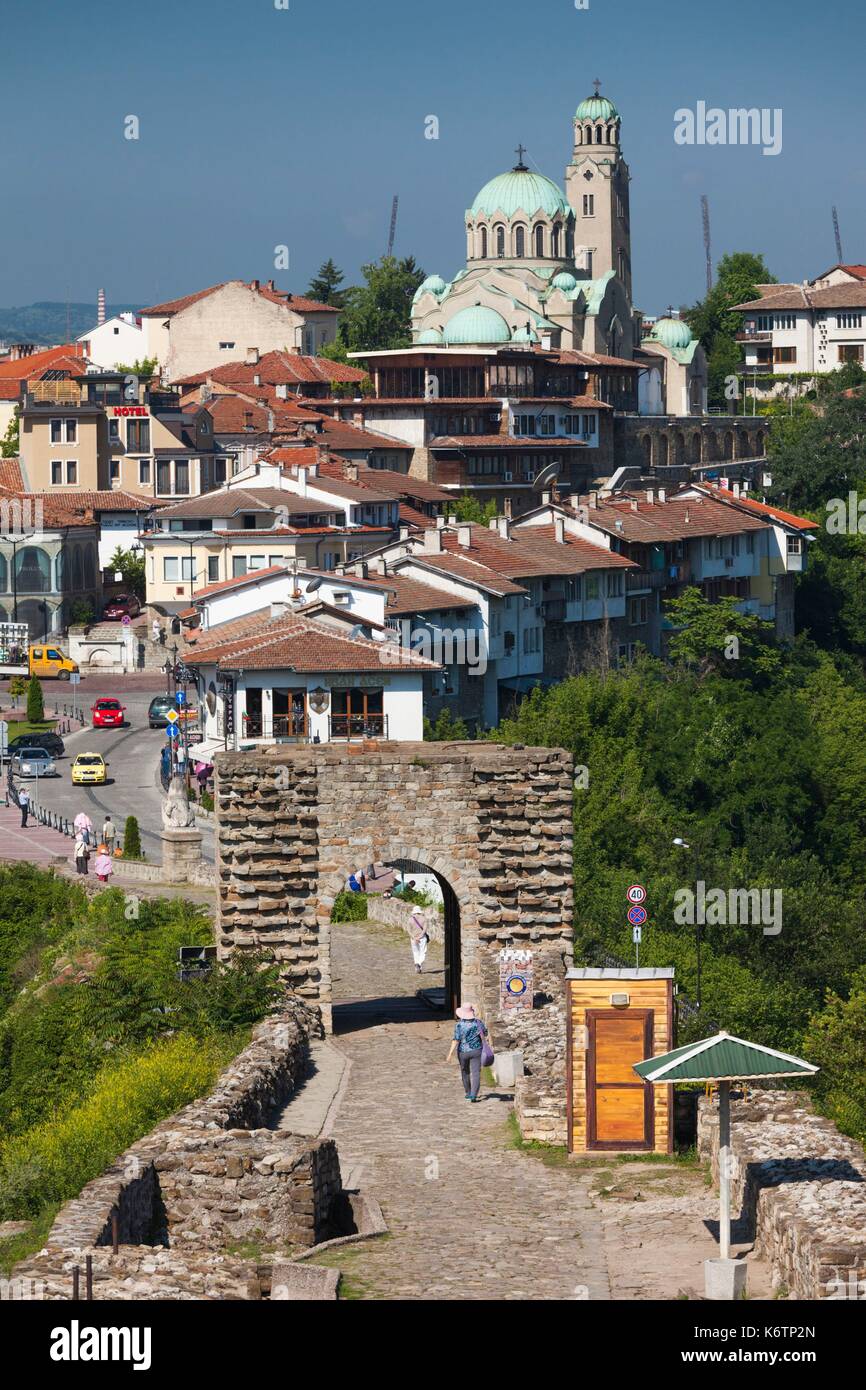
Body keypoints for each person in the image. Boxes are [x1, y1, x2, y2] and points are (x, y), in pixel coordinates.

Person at [446, 1003, 490, 1103]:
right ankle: (474, 1095)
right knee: (476, 1073)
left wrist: (450, 1054)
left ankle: (468, 1092)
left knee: (464, 1072)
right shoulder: (478, 1023)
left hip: (463, 1051)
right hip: (476, 1050)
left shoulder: (459, 1025)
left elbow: (456, 1039)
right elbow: (485, 1033)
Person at [409, 908, 430, 974]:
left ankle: (416, 964)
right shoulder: (424, 919)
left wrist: (414, 938)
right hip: (422, 938)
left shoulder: (410, 919)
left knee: (415, 952)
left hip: (413, 938)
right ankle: (419, 964)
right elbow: (424, 930)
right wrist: (420, 937)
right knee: (423, 951)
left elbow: (409, 930)